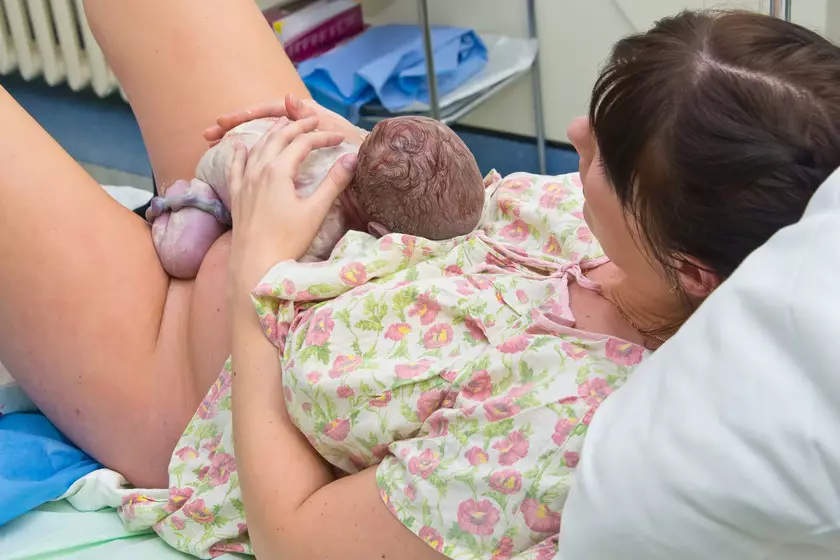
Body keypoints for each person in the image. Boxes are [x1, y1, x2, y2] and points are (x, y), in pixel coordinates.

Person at [1, 2, 838, 558]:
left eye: (601, 158)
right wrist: (357, 156)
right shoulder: (621, 237)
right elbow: (458, 214)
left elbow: (296, 540)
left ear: (694, 270)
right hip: (288, 209)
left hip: (193, 383)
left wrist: (261, 277)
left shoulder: (555, 447)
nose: (575, 132)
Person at [147, 108, 485, 277]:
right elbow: (273, 280)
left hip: (270, 135)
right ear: (379, 234)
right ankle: (185, 199)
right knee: (184, 257)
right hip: (231, 162)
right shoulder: (322, 227)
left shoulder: (364, 152)